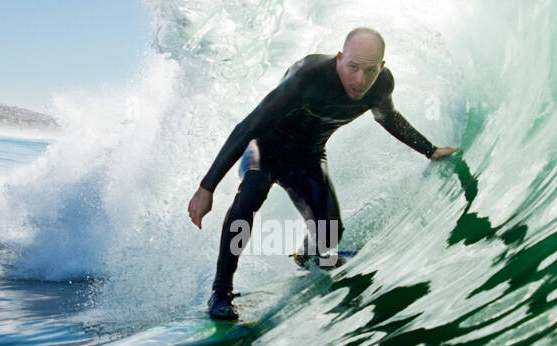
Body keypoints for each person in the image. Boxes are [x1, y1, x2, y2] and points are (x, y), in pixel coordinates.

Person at [186, 27, 458, 320]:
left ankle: (309, 255)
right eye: (352, 67)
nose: (360, 80)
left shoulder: (380, 86)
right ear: (339, 58)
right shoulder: (308, 76)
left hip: (308, 157)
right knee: (250, 194)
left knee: (330, 231)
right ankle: (221, 292)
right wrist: (207, 188)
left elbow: (387, 117)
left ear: (381, 67)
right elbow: (248, 126)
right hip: (265, 148)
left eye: (370, 70)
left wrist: (429, 150)